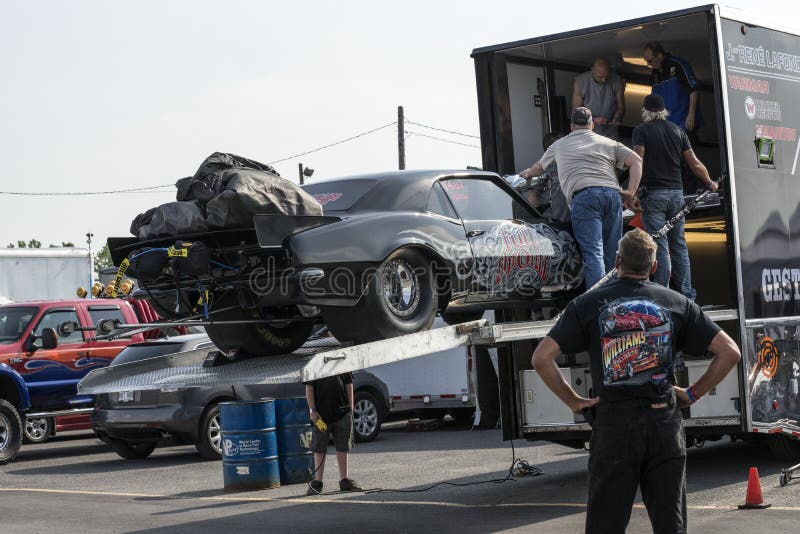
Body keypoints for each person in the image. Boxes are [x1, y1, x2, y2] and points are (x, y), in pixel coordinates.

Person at [532, 228, 741, 534]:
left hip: (614, 425)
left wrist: (574, 401)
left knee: (605, 525)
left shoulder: (587, 305)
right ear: (654, 266)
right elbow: (730, 352)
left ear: (617, 261)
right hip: (663, 423)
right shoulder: (676, 302)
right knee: (670, 523)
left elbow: (541, 358)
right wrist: (692, 394)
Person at [520, 107, 642, 288]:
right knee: (612, 251)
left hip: (585, 197)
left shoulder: (559, 145)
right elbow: (637, 160)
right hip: (612, 195)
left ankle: (598, 299)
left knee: (593, 252)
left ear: (571, 126)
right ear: (591, 125)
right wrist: (631, 192)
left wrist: (527, 173)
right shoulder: (608, 143)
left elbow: (538, 168)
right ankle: (613, 296)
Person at [632, 93, 718, 300]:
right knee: (679, 245)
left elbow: (637, 162)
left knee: (660, 245)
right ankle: (687, 295)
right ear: (664, 111)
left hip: (654, 195)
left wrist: (632, 192)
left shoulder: (641, 131)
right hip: (677, 195)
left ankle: (662, 294)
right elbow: (694, 163)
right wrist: (710, 183)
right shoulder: (678, 131)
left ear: (645, 111)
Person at [305, 372, 362, 495]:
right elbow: (309, 387)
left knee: (343, 447)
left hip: (342, 413)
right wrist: (312, 411)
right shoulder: (314, 366)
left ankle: (344, 481)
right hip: (320, 415)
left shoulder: (342, 363)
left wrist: (351, 408)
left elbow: (349, 384)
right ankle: (317, 483)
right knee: (319, 448)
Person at [643, 42, 700, 133]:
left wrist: (691, 114)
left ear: (659, 55)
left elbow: (694, 89)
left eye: (650, 61)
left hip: (683, 123)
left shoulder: (677, 64)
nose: (648, 64)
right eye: (646, 61)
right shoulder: (655, 73)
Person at [572, 58, 626, 139]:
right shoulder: (580, 82)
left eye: (606, 77)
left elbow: (621, 106)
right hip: (586, 131)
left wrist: (618, 116)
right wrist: (593, 120)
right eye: (600, 77)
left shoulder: (617, 81)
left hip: (610, 130)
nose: (604, 80)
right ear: (592, 70)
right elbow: (576, 112)